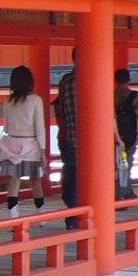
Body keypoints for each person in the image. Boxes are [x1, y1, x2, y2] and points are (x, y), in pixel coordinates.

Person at [0, 64, 46, 217]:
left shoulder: (8, 102)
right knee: (35, 180)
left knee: (14, 180)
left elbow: (6, 126)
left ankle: (13, 213)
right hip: (30, 144)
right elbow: (39, 127)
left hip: (12, 144)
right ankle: (41, 213)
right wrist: (43, 151)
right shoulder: (36, 100)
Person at [51, 52, 77, 229]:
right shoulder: (97, 79)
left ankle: (72, 213)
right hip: (92, 140)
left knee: (71, 174)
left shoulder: (65, 81)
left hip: (67, 137)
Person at [114, 68, 138, 199]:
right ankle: (120, 194)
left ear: (115, 80)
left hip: (113, 133)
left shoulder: (111, 96)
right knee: (126, 165)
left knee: (116, 165)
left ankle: (128, 192)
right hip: (130, 134)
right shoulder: (135, 96)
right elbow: (136, 114)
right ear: (129, 80)